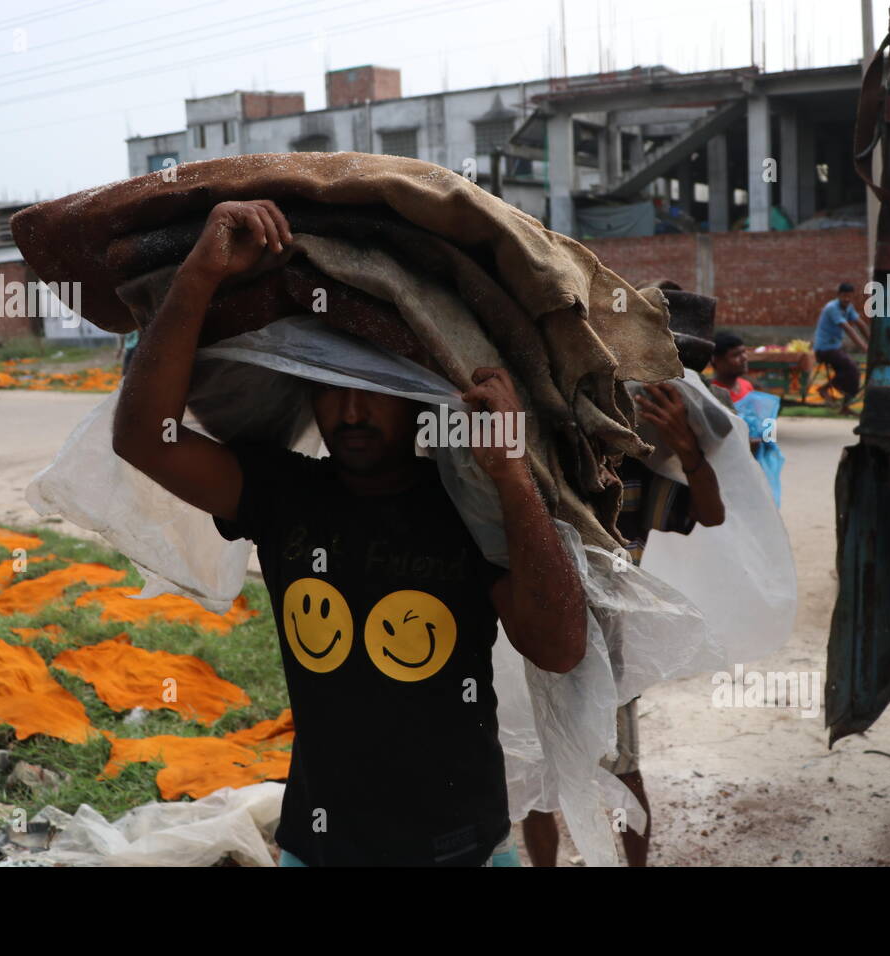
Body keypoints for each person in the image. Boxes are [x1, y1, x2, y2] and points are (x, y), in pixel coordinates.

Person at [111, 199, 588, 867]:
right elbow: (143, 438)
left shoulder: (468, 506)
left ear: (418, 394)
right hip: (320, 846)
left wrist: (510, 475)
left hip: (461, 849)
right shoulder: (282, 493)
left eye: (376, 388)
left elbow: (559, 646)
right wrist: (197, 277)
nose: (353, 411)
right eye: (333, 385)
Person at [521, 379, 725, 868]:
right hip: (531, 639)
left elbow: (711, 513)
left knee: (624, 772)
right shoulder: (539, 467)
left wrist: (688, 450)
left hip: (608, 652)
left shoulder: (631, 478)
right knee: (538, 775)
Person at [813, 282, 869, 414]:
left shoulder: (848, 307)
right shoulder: (832, 308)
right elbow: (849, 329)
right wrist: (865, 348)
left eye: (849, 296)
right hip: (824, 349)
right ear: (838, 295)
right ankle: (824, 389)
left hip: (835, 348)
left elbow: (860, 324)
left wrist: (872, 342)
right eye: (844, 296)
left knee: (852, 372)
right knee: (852, 370)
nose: (846, 299)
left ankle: (844, 406)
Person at [710, 332, 754, 407]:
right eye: (736, 355)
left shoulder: (747, 386)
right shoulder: (711, 393)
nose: (744, 358)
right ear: (717, 360)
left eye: (744, 352)